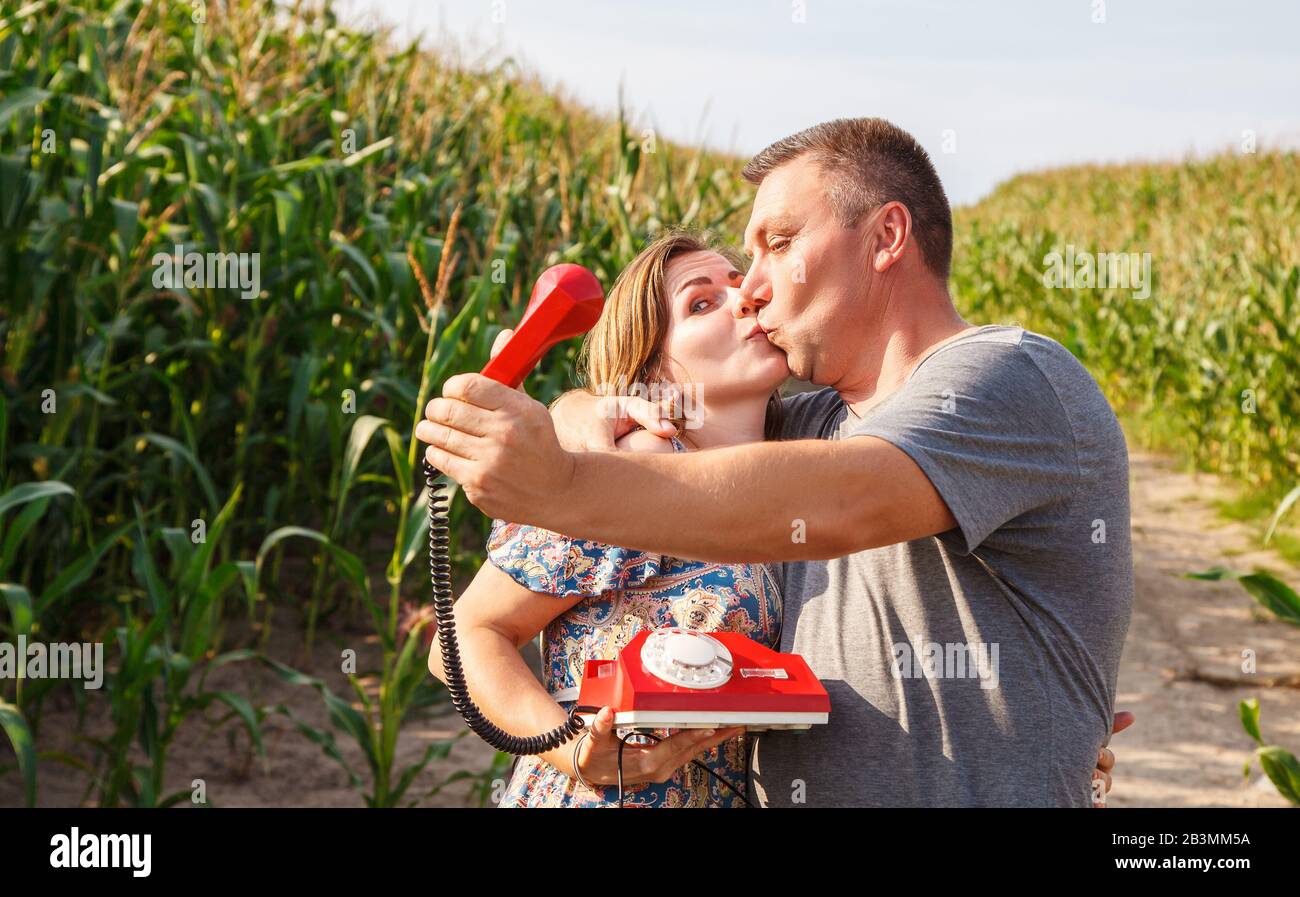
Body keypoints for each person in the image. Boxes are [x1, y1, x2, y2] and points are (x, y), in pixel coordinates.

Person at [419, 117, 1134, 807]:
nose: (751, 290)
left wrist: (566, 479)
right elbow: (701, 458)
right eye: (727, 279)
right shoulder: (804, 428)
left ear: (887, 236)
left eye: (779, 243)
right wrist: (588, 408)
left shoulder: (1005, 375)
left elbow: (837, 499)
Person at [427, 232, 789, 806]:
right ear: (654, 371)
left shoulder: (802, 460)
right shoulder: (638, 466)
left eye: (740, 285)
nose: (743, 299)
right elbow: (469, 634)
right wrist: (572, 751)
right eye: (700, 302)